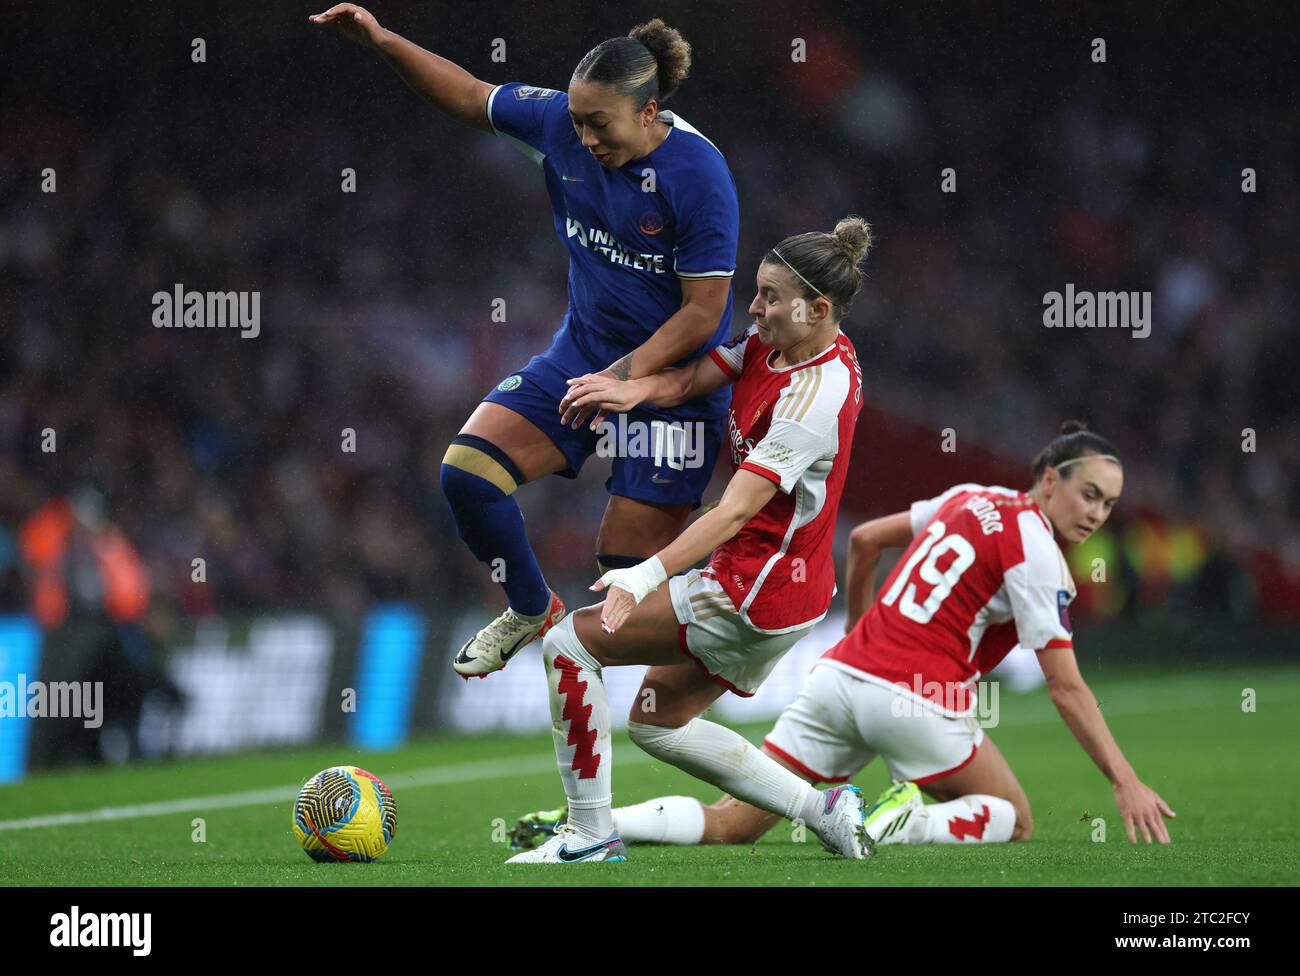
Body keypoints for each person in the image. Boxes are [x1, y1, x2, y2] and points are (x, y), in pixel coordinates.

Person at [312, 7, 740, 677]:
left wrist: (627, 379)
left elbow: (702, 313)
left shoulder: (700, 176)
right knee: (467, 475)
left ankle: (726, 628)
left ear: (650, 111)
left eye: (600, 124)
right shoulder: (563, 125)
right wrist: (385, 40)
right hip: (581, 357)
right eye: (576, 122)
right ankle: (531, 607)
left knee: (621, 595)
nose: (584, 137)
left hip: (676, 391)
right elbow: (471, 94)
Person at [513, 423, 1178, 850]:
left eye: (1108, 504)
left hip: (837, 680)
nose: (1095, 513)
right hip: (920, 701)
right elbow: (1063, 684)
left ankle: (593, 825)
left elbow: (863, 541)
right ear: (1051, 480)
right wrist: (1124, 780)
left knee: (732, 826)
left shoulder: (969, 495)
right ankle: (906, 820)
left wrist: (864, 637)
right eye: (1089, 494)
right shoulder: (1039, 553)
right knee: (1015, 818)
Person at [506, 218, 874, 863]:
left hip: (749, 590)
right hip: (792, 593)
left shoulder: (814, 396)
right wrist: (631, 388)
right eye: (755, 290)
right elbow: (690, 378)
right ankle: (824, 809)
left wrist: (641, 575)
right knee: (656, 719)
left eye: (767, 295)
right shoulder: (777, 343)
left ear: (818, 309)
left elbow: (733, 512)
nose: (752, 308)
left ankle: (589, 834)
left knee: (568, 646)